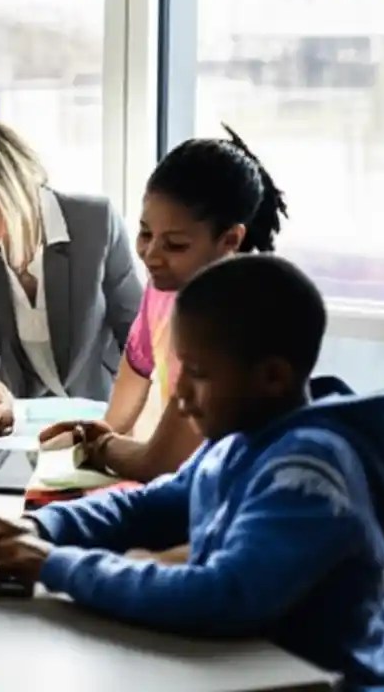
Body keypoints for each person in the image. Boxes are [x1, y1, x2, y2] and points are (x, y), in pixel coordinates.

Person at [0, 256, 384, 690]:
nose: (179, 395)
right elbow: (145, 507)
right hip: (246, 672)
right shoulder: (237, 441)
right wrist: (39, 526)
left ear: (272, 377)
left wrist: (53, 564)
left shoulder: (308, 473)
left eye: (196, 375)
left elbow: (221, 595)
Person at [41, 125, 288, 481]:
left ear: (230, 239)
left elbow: (162, 463)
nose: (150, 255)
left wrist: (98, 444)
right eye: (144, 234)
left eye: (175, 244)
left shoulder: (234, 321)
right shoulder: (164, 290)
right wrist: (101, 430)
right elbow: (137, 368)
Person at [0, 119, 142, 437]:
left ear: (9, 190)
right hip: (14, 424)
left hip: (100, 419)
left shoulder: (94, 222)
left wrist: (137, 429)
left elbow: (138, 339)